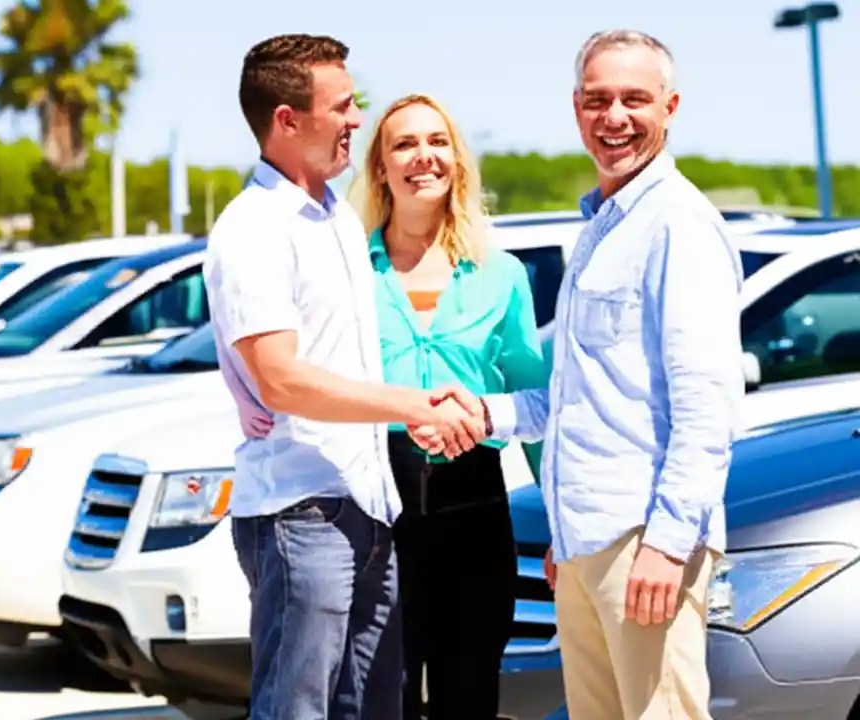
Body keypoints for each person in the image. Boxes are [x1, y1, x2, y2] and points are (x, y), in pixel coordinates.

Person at [462, 29, 743, 719]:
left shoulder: (679, 225)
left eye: (634, 99)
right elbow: (582, 396)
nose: (613, 116)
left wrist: (667, 546)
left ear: (670, 106)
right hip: (588, 545)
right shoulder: (604, 226)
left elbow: (708, 409)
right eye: (597, 100)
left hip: (644, 544)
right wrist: (483, 413)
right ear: (576, 108)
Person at [203, 34, 485, 719]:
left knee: (375, 709)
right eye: (343, 106)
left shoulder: (333, 217)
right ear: (286, 121)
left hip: (364, 507)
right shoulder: (254, 229)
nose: (358, 119)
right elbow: (282, 379)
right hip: (302, 516)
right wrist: (412, 405)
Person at [350, 93, 548, 718]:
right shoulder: (349, 273)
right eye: (403, 144)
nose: (422, 157)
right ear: (380, 168)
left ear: (457, 162)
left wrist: (561, 523)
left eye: (437, 142)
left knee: (470, 694)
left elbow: (536, 405)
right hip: (379, 510)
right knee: (387, 695)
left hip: (475, 507)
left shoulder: (502, 275)